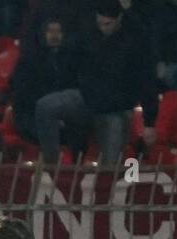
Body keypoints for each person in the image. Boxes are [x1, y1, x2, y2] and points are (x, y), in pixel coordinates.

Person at [34, 0, 158, 164]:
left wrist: (149, 122)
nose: (103, 28)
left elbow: (147, 81)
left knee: (110, 165)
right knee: (45, 107)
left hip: (116, 109)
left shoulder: (135, 40)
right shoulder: (88, 33)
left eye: (108, 24)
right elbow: (69, 62)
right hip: (87, 98)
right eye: (100, 23)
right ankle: (52, 164)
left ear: (119, 19)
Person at [9, 16, 79, 148]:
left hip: (65, 115)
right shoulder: (28, 60)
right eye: (50, 31)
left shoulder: (72, 59)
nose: (54, 35)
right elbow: (22, 95)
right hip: (32, 115)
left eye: (58, 31)